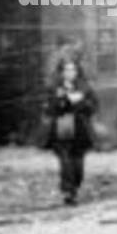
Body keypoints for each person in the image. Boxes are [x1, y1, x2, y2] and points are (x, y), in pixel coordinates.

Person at [43, 56, 98, 206]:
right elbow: (49, 108)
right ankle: (68, 191)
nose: (70, 73)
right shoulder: (54, 88)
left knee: (78, 163)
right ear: (61, 72)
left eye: (73, 69)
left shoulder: (85, 87)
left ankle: (75, 185)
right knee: (65, 160)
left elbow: (93, 107)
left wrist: (80, 101)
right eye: (66, 70)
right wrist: (65, 100)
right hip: (63, 124)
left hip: (80, 127)